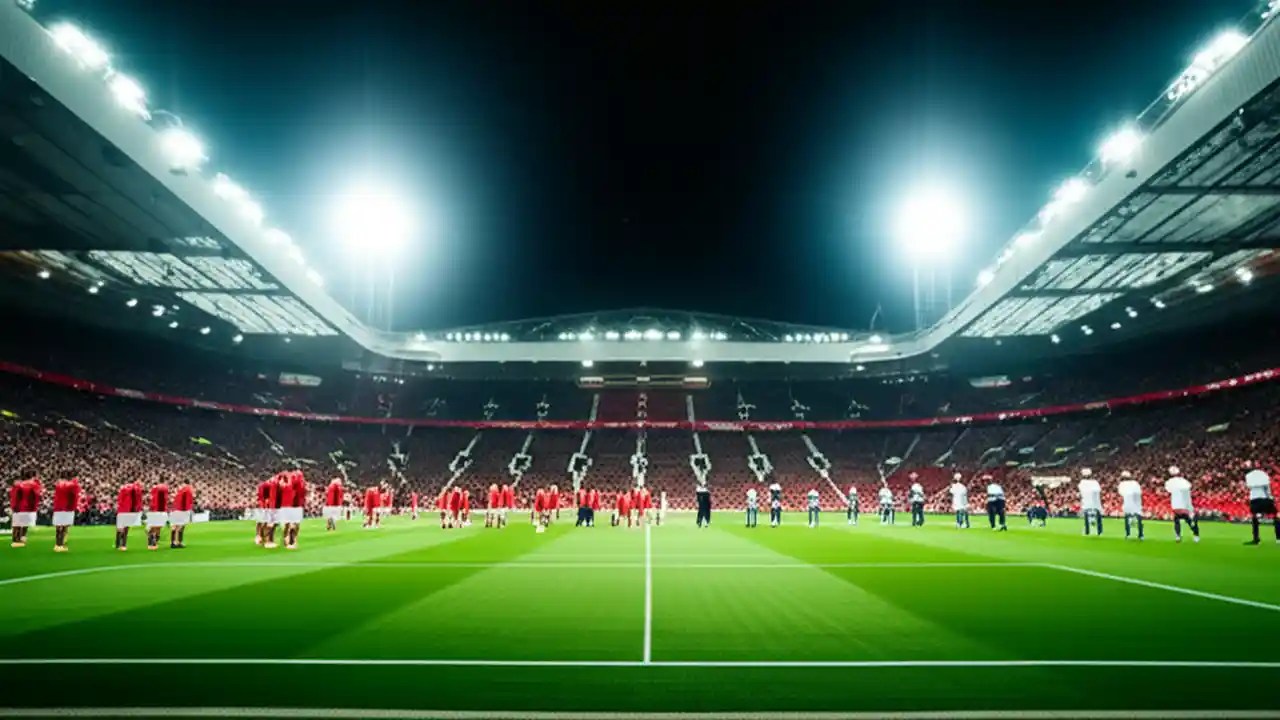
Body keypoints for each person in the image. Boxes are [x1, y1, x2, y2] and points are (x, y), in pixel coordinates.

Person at [1163, 467, 1198, 543]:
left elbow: (1167, 490)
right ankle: (1195, 535)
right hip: (1185, 504)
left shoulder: (1170, 482)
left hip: (1178, 505)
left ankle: (1179, 536)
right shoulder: (1184, 481)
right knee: (1187, 521)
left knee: (1178, 520)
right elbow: (1190, 488)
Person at [1244, 468, 1279, 545]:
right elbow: (1268, 490)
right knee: (1276, 517)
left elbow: (1248, 486)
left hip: (1255, 501)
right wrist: (1271, 499)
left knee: (1254, 519)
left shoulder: (1250, 479)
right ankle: (1278, 538)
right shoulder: (1264, 479)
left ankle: (1256, 539)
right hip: (1265, 500)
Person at [52, 472, 81, 553]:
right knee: (64, 526)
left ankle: (57, 544)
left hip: (58, 507)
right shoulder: (72, 485)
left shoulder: (58, 484)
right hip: (67, 507)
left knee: (59, 527)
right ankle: (61, 544)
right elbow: (74, 495)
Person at [114, 479, 143, 552]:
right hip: (131, 510)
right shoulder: (138, 489)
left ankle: (118, 544)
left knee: (120, 527)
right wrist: (138, 510)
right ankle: (123, 545)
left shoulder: (123, 488)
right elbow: (139, 501)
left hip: (123, 510)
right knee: (126, 528)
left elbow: (119, 500)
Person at [280, 469, 306, 550]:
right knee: (291, 525)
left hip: (293, 506)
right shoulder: (289, 485)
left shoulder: (290, 485)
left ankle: (290, 540)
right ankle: (290, 540)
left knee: (292, 525)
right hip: (290, 506)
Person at [1117, 471, 1144, 541]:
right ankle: (1141, 535)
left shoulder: (1122, 484)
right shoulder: (1135, 483)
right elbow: (1140, 492)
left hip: (1128, 503)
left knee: (1127, 518)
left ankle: (1128, 534)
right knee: (1139, 519)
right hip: (1137, 503)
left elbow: (1121, 493)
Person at [169, 480, 195, 549]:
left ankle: (173, 543)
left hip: (174, 509)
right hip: (182, 510)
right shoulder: (188, 489)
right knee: (181, 526)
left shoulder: (180, 490)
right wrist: (188, 510)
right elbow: (188, 501)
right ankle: (179, 542)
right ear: (189, 484)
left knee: (174, 526)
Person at [146, 480, 170, 551]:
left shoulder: (155, 490)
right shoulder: (164, 489)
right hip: (158, 510)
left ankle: (154, 542)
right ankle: (152, 543)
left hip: (157, 510)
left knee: (157, 527)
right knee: (156, 527)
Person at [1078, 469, 1103, 536]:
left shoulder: (1082, 483)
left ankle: (1087, 531)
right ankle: (1099, 531)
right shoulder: (1095, 482)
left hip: (1087, 503)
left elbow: (1081, 493)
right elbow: (1099, 491)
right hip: (1096, 503)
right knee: (1098, 517)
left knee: (1087, 517)